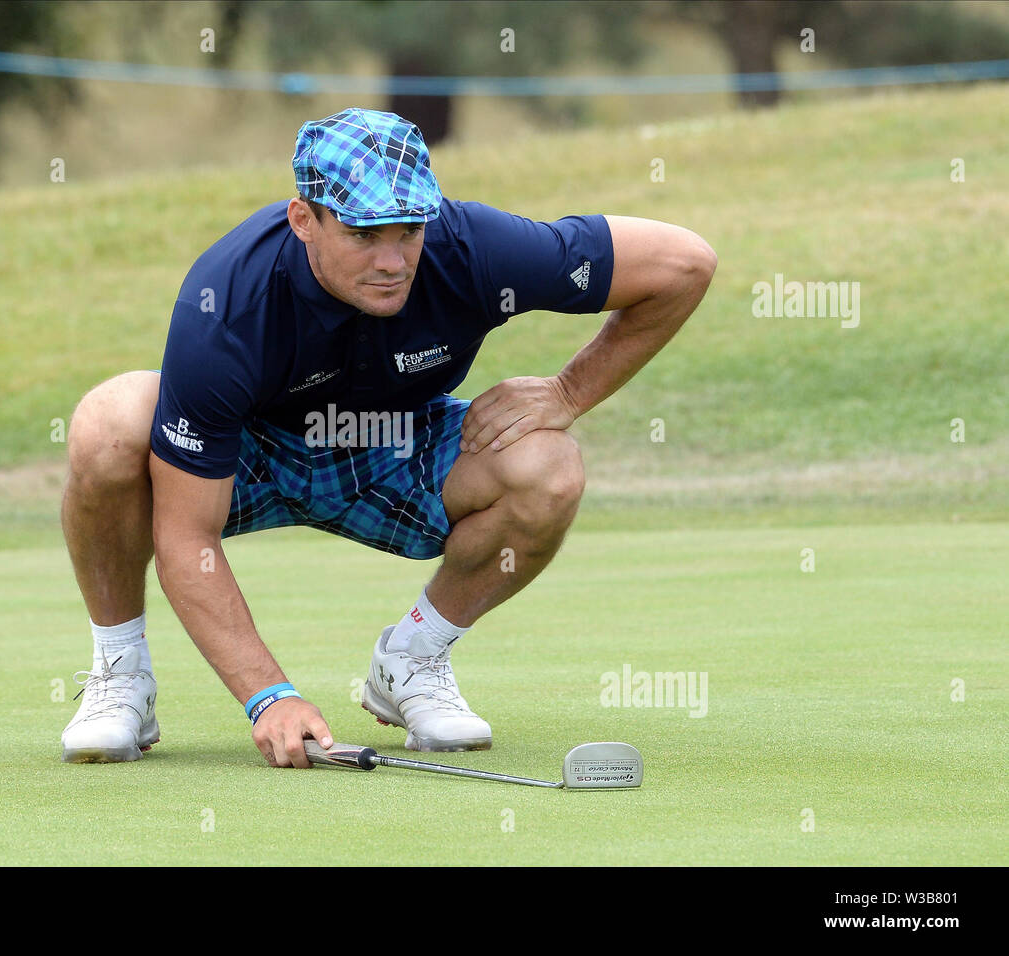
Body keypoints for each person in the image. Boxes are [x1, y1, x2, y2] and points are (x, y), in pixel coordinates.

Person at [59, 106, 716, 767]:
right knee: (107, 424)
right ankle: (122, 675)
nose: (393, 260)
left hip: (398, 448)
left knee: (549, 465)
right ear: (303, 220)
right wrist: (269, 696)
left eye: (409, 231)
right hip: (250, 457)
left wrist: (569, 392)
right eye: (365, 234)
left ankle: (412, 661)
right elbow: (185, 538)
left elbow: (684, 265)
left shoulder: (474, 250)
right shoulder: (228, 302)